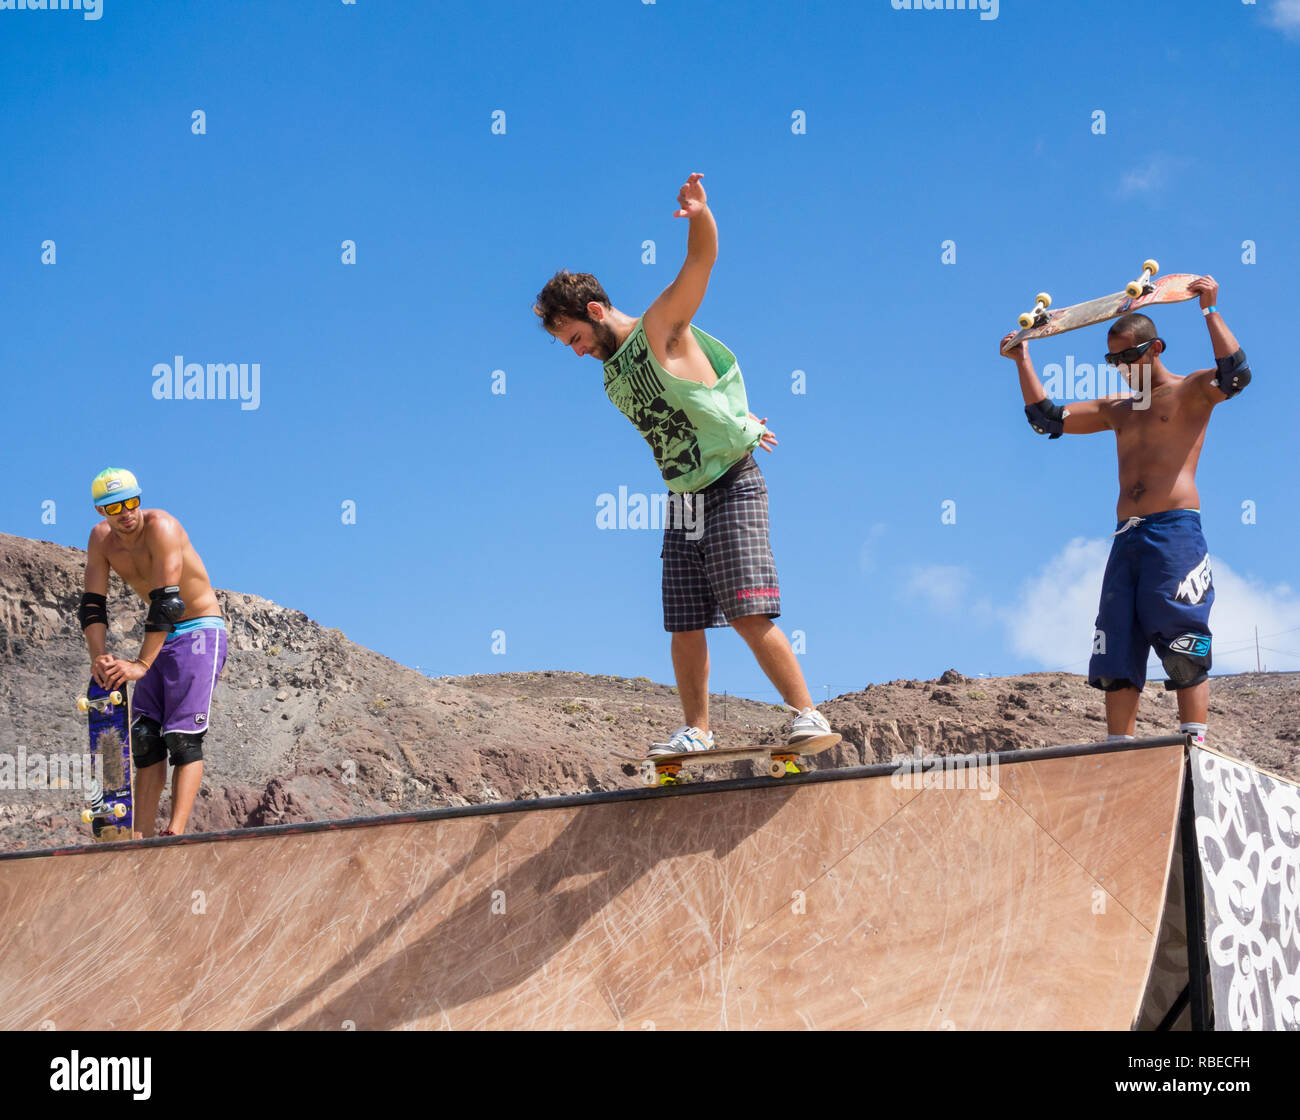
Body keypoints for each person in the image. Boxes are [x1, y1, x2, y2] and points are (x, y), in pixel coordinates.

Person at [534, 172, 831, 756]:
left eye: (574, 337)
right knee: (684, 620)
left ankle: (808, 716)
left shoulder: (660, 326)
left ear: (595, 310)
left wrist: (699, 214)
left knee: (747, 608)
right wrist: (734, 415)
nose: (577, 352)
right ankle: (698, 729)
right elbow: (698, 403)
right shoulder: (611, 377)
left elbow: (700, 265)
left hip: (732, 485)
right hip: (683, 499)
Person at [1002, 276, 1250, 746]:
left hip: (1174, 531)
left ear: (1154, 348)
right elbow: (1046, 418)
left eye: (1128, 357)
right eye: (1112, 360)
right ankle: (1120, 753)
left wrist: (1209, 310)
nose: (1120, 367)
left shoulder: (1190, 390)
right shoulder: (1118, 409)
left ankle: (1194, 743)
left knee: (1182, 642)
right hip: (1126, 538)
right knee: (1114, 651)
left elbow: (1235, 373)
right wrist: (1023, 357)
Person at [79, 468, 227, 835]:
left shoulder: (162, 527)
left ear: (140, 499)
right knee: (145, 737)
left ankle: (174, 832)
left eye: (131, 502)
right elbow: (92, 605)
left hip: (197, 631)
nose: (127, 512)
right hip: (159, 635)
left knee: (181, 738)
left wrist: (141, 664)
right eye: (116, 507)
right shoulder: (101, 540)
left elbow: (167, 604)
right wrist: (98, 656)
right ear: (102, 512)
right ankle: (139, 837)